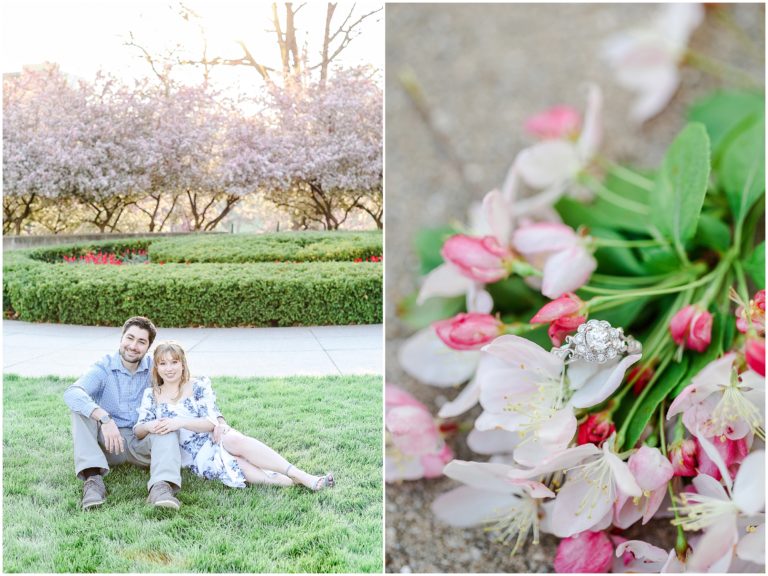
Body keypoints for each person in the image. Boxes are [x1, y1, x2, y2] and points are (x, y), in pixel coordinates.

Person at [63, 316, 227, 510]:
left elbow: (191, 389)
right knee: (81, 411)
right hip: (108, 443)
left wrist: (219, 419)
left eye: (141, 341)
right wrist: (105, 419)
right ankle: (92, 481)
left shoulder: (155, 368)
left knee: (167, 425)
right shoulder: (104, 367)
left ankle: (161, 487)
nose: (133, 346)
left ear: (148, 346)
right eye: (130, 338)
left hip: (143, 441)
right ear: (121, 338)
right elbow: (73, 393)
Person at [134, 340, 335, 491]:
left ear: (183, 364)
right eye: (163, 364)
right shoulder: (151, 395)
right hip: (194, 455)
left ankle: (303, 475)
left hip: (212, 437)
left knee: (233, 439)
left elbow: (211, 421)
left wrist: (180, 422)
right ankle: (294, 483)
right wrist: (149, 426)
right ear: (157, 368)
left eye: (174, 362)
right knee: (238, 465)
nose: (169, 369)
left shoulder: (198, 386)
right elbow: (138, 430)